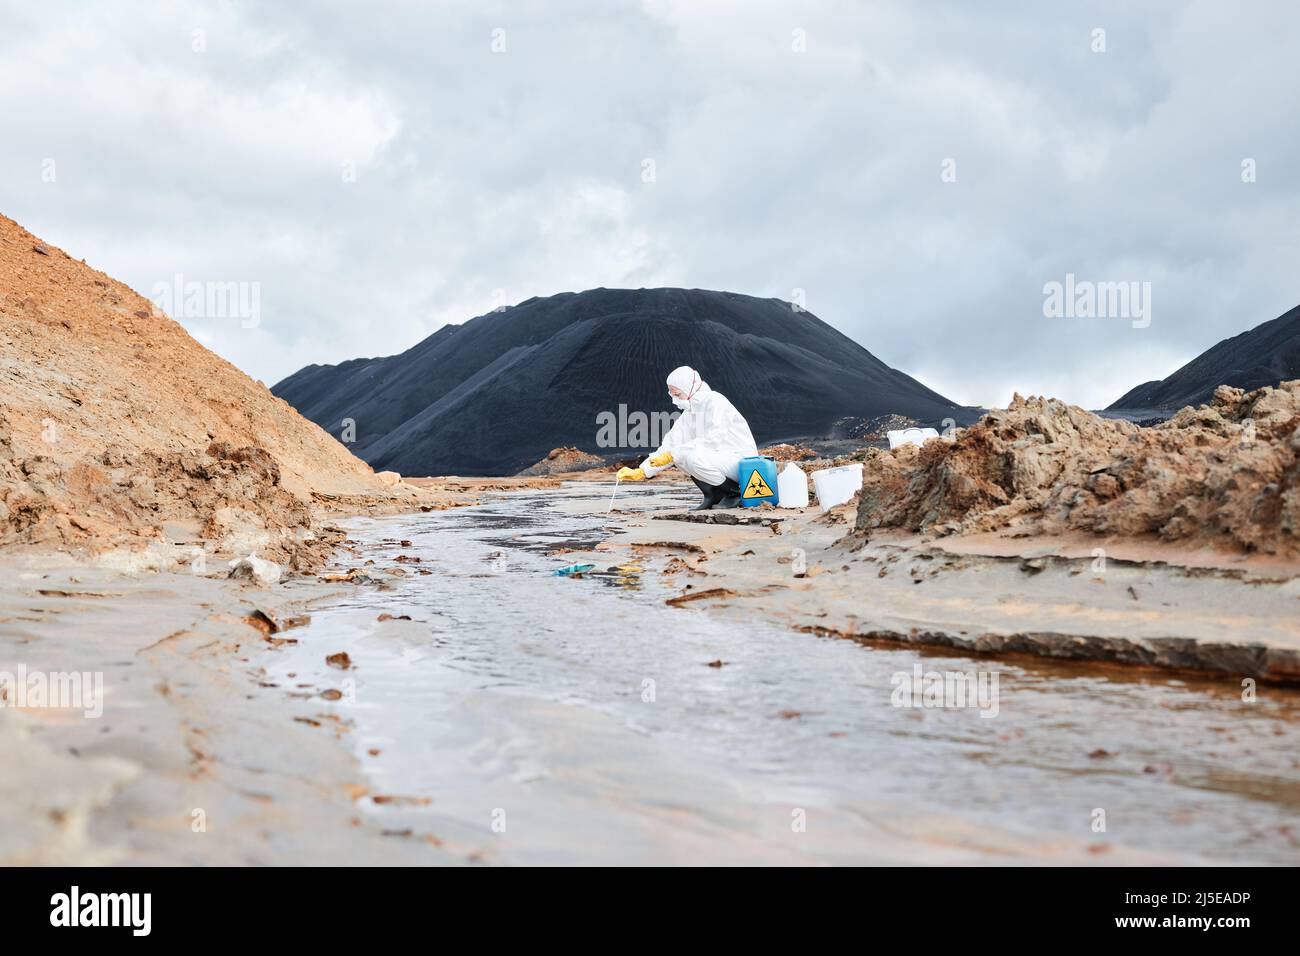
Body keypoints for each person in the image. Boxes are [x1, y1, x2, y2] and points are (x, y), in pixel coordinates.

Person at [616, 366, 758, 510]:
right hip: (720, 460)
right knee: (680, 457)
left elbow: (713, 439)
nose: (674, 400)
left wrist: (674, 454)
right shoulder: (690, 413)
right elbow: (670, 446)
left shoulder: (716, 402)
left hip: (743, 463)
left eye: (677, 394)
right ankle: (714, 496)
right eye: (671, 395)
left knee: (692, 457)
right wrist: (642, 471)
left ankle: (734, 493)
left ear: (690, 389)